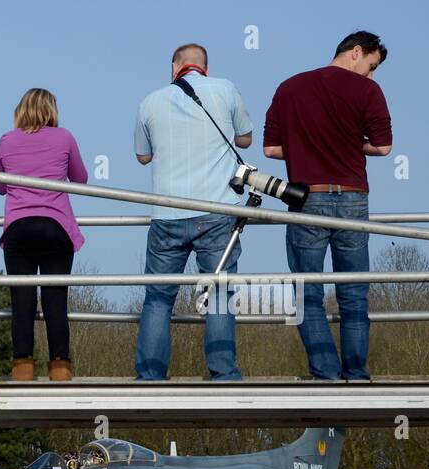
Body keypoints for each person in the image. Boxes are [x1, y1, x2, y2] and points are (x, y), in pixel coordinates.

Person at [264, 31, 393, 380]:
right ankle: (356, 374)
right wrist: (351, 144)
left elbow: (271, 150)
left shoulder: (289, 88)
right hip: (353, 198)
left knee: (308, 294)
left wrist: (308, 146)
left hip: (308, 198)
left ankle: (326, 374)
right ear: (356, 52)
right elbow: (383, 148)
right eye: (372, 65)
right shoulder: (368, 92)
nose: (371, 74)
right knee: (354, 294)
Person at [133, 43, 252, 381]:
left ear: (174, 69)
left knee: (158, 297)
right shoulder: (226, 89)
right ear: (205, 68)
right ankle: (223, 372)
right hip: (216, 211)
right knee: (219, 294)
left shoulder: (150, 102)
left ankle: (151, 377)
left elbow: (143, 156)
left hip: (167, 214)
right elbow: (245, 139)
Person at [0, 88, 88, 381]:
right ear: (52, 110)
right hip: (55, 225)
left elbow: (0, 186)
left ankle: (22, 365)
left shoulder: (6, 141)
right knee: (54, 297)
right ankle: (60, 366)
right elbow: (81, 179)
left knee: (22, 298)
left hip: (19, 227)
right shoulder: (65, 137)